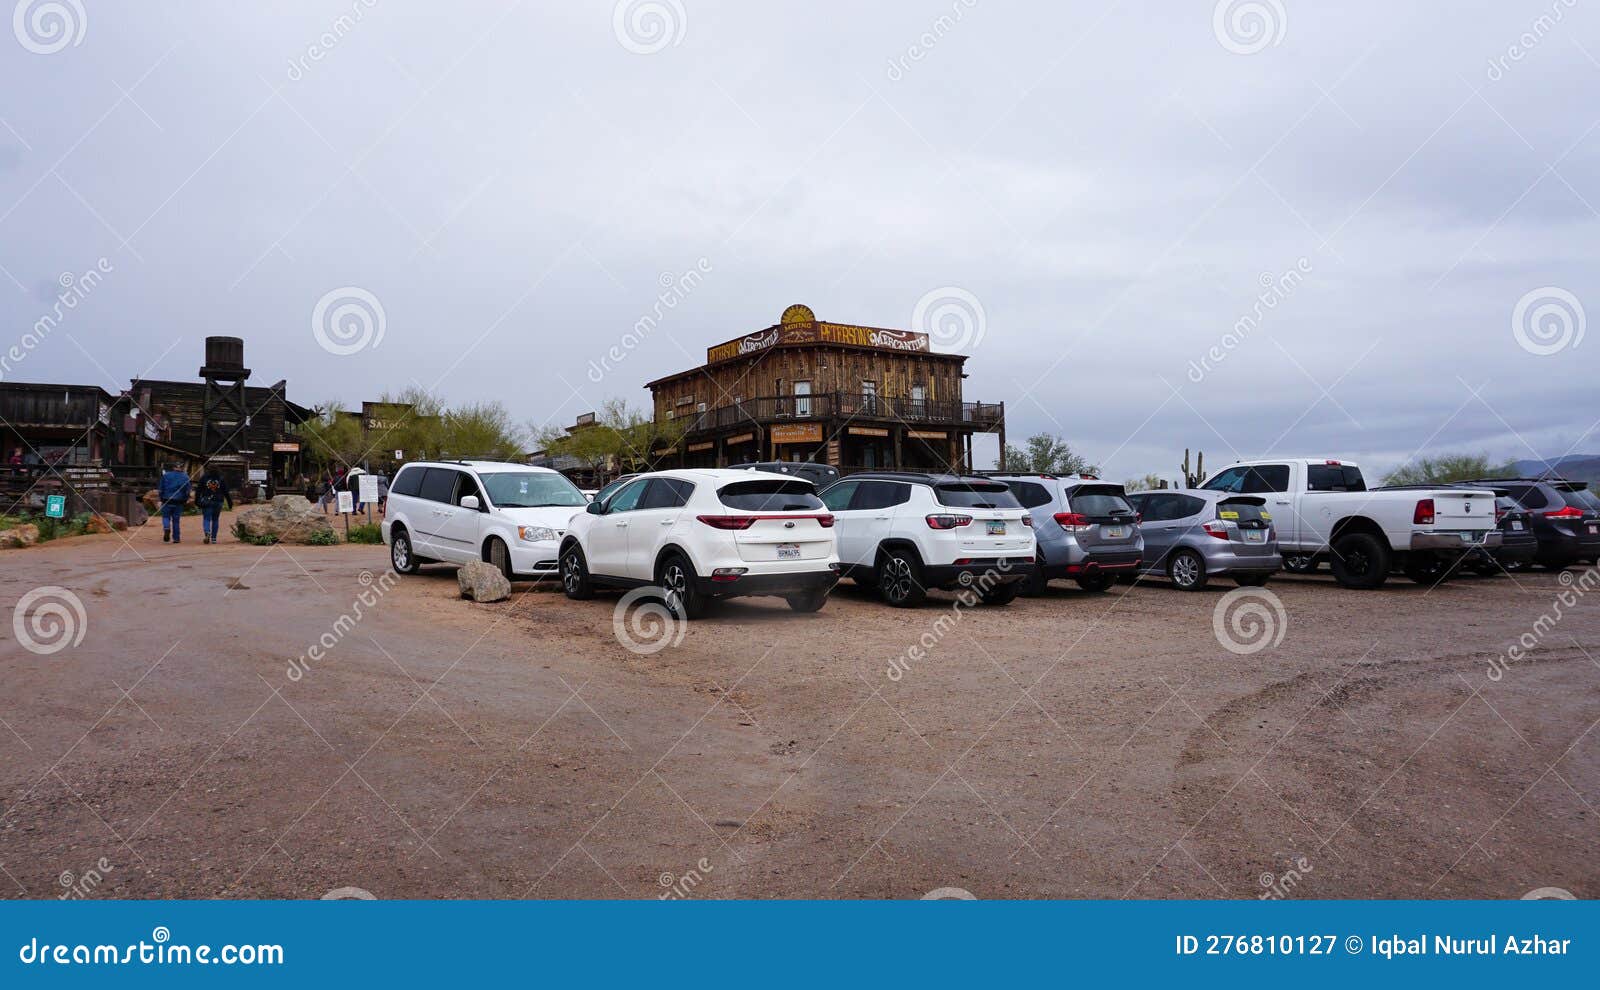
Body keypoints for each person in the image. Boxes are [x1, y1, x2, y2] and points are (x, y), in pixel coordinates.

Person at [194, 464, 233, 545]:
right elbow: (226, 491)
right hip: (219, 501)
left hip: (207, 501)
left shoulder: (204, 477)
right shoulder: (221, 478)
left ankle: (207, 532)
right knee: (215, 519)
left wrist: (197, 500)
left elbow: (198, 490)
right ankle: (214, 538)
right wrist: (230, 502)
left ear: (208, 469)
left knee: (206, 518)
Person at [157, 462, 191, 544]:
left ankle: (166, 528)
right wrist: (185, 500)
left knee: (165, 517)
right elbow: (187, 491)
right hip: (179, 501)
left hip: (166, 499)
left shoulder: (166, 475)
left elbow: (161, 488)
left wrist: (161, 498)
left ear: (173, 467)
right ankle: (176, 538)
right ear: (182, 468)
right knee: (176, 520)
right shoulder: (185, 477)